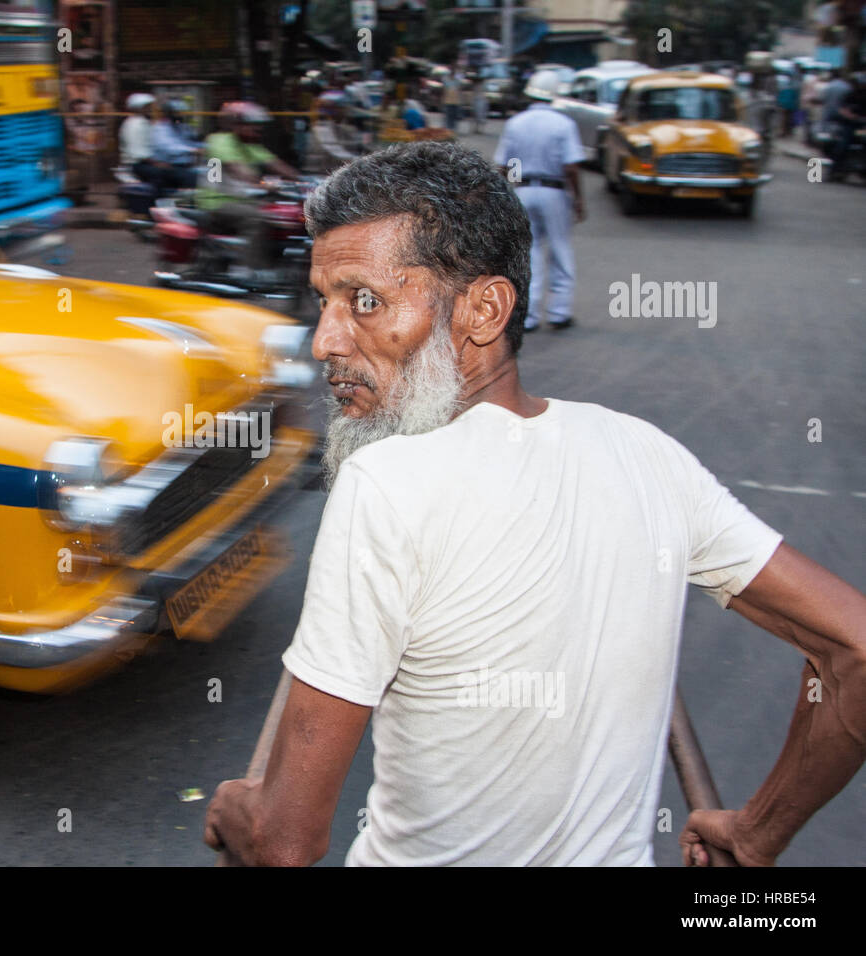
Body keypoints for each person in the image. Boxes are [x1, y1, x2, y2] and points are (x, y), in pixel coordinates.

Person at [202, 139, 866, 867]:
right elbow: (855, 650)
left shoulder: (385, 485)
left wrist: (243, 811)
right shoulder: (646, 452)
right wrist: (759, 831)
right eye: (322, 302)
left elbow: (284, 843)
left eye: (364, 301)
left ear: (484, 310)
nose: (325, 339)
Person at [492, 69, 584, 331]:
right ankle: (559, 312)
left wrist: (512, 190)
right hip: (554, 190)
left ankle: (529, 316)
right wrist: (578, 200)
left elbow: (506, 165)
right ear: (556, 94)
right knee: (560, 250)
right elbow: (571, 168)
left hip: (524, 189)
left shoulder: (516, 123)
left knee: (528, 253)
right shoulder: (563, 124)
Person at [196, 101, 301, 282]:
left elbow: (275, 164)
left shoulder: (250, 145)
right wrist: (260, 183)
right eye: (253, 125)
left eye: (258, 126)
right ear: (237, 125)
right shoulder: (219, 141)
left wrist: (304, 180)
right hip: (216, 202)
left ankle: (276, 262)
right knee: (257, 218)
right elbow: (235, 168)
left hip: (242, 200)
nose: (257, 130)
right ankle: (245, 269)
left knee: (283, 213)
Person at [305, 91, 362, 175]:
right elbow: (340, 154)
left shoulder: (345, 129)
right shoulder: (322, 128)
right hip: (320, 175)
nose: (346, 111)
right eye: (342, 107)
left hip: (333, 175)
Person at [149, 99, 201, 190]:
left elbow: (190, 142)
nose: (181, 116)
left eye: (182, 113)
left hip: (185, 166)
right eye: (177, 113)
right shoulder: (160, 128)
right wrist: (192, 150)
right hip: (169, 167)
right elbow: (169, 148)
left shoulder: (181, 127)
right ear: (169, 113)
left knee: (211, 174)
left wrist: (209, 146)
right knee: (194, 178)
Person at [118, 92, 157, 184]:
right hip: (137, 165)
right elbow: (138, 152)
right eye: (147, 106)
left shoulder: (143, 122)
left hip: (144, 162)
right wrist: (157, 162)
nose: (151, 109)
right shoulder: (134, 124)